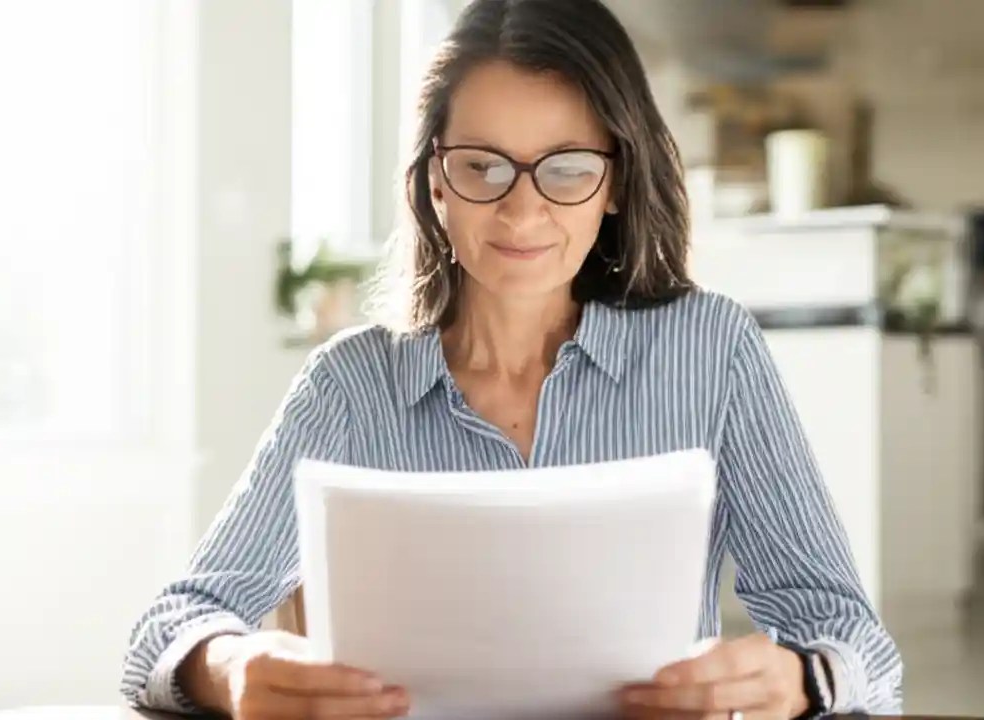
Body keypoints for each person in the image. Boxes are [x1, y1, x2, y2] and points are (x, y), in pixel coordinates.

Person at [119, 0, 902, 717]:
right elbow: (168, 628)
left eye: (567, 169)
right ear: (435, 182)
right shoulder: (349, 386)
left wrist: (802, 679)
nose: (522, 211)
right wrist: (230, 667)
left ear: (616, 183)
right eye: (482, 166)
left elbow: (854, 640)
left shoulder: (711, 351)